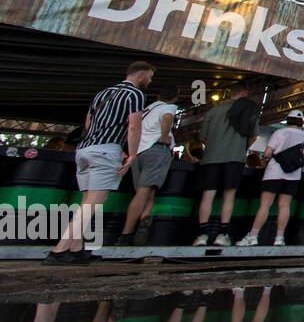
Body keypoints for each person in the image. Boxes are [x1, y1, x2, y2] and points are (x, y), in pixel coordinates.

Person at [46, 61, 154, 264]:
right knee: (92, 203)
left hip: (85, 149)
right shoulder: (135, 95)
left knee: (86, 202)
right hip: (106, 150)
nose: (150, 80)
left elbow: (88, 123)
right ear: (140, 75)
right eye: (149, 76)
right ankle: (59, 250)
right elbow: (134, 126)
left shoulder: (102, 93)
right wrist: (131, 154)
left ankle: (76, 249)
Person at [194, 81, 258, 248]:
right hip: (234, 159)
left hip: (211, 158)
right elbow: (253, 136)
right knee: (229, 196)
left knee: (208, 196)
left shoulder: (214, 110)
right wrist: (241, 148)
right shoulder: (248, 110)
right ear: (244, 93)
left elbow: (203, 137)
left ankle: (202, 234)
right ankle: (222, 234)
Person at [238, 109, 304, 246]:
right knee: (285, 206)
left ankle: (253, 236)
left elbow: (267, 153)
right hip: (293, 175)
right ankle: (279, 238)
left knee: (265, 205)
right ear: (301, 122)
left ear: (288, 120)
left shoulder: (279, 133)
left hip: (274, 172)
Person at [119, 84, 180, 246]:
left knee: (146, 192)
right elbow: (167, 118)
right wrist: (165, 136)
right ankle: (127, 233)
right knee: (144, 192)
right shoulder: (170, 107)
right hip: (156, 150)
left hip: (138, 151)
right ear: (175, 96)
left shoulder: (148, 108)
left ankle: (143, 223)